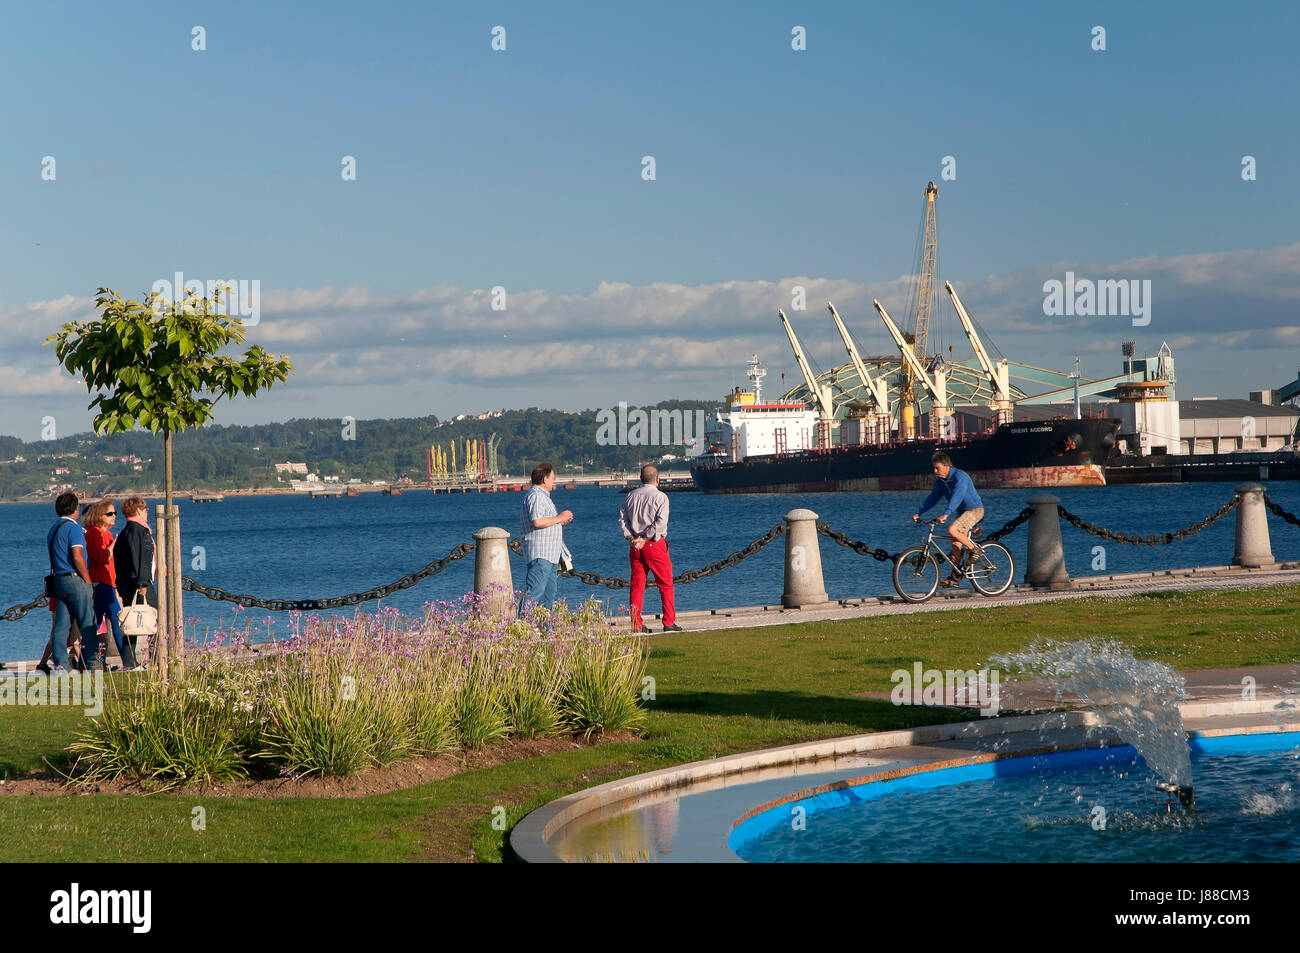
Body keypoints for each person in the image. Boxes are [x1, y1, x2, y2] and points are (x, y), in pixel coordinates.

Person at [619, 464, 681, 633]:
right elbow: (659, 524)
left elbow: (623, 521)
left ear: (640, 478)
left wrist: (632, 538)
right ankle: (668, 622)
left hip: (635, 547)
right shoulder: (661, 497)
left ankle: (636, 623)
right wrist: (645, 538)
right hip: (654, 544)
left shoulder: (630, 496)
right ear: (657, 478)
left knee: (637, 585)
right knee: (665, 584)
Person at [44, 491, 100, 672]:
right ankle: (91, 662)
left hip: (59, 580)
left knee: (62, 625)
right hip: (74, 579)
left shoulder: (53, 529)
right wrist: (88, 580)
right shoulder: (74, 528)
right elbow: (77, 557)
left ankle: (60, 663)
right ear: (75, 509)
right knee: (88, 622)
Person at [912, 451, 984, 589]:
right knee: (955, 546)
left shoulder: (960, 476)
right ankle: (954, 579)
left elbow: (958, 495)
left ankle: (975, 550)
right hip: (962, 513)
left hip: (975, 510)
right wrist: (919, 513)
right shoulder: (941, 482)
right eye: (934, 468)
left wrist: (946, 514)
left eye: (937, 468)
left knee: (951, 529)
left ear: (946, 466)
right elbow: (932, 498)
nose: (934, 471)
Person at [83, 499, 137, 670]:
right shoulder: (94, 533)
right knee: (116, 618)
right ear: (99, 515)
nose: (114, 516)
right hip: (100, 583)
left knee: (96, 623)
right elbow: (99, 557)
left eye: (115, 513)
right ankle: (128, 661)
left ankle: (87, 663)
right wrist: (113, 546)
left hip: (107, 582)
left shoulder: (104, 533)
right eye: (110, 514)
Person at [518, 463, 572, 612]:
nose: (554, 481)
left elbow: (545, 521)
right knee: (534, 593)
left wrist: (559, 521)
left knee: (549, 596)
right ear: (544, 479)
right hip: (541, 554)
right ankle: (521, 626)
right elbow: (537, 521)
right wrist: (559, 517)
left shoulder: (542, 497)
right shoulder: (536, 495)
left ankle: (546, 630)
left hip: (550, 554)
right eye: (552, 478)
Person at [113, 496, 155, 669]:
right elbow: (142, 557)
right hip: (139, 582)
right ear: (138, 510)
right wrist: (143, 582)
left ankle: (130, 661)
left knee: (130, 622)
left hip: (126, 582)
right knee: (155, 618)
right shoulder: (139, 530)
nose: (147, 513)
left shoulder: (125, 532)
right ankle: (157, 657)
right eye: (145, 510)